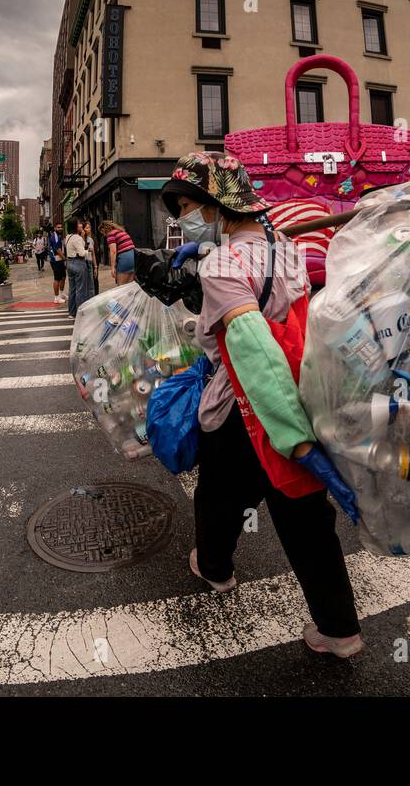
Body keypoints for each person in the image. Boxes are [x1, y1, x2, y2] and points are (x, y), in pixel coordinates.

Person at [160, 152, 363, 659]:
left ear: (212, 207)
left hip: (247, 407)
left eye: (186, 206)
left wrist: (292, 439)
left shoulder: (224, 264)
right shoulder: (288, 250)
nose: (182, 217)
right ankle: (340, 630)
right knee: (306, 518)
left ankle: (214, 568)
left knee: (220, 497)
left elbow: (252, 348)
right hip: (298, 391)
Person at [63, 217, 92, 317]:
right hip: (78, 263)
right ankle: (81, 313)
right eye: (79, 224)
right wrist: (89, 251)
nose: (81, 226)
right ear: (75, 226)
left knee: (72, 289)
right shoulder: (77, 238)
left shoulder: (67, 237)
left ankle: (72, 313)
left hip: (69, 263)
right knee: (81, 290)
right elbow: (82, 253)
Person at [101, 219, 136, 286]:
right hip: (134, 257)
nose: (103, 235)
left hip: (125, 259)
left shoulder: (110, 235)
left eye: (102, 232)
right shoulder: (121, 232)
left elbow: (113, 251)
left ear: (104, 230)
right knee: (130, 286)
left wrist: (112, 267)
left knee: (121, 286)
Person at [48, 222, 66, 303]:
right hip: (56, 260)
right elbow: (58, 250)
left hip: (59, 260)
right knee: (57, 279)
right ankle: (56, 298)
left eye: (61, 227)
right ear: (55, 228)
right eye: (58, 227)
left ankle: (61, 294)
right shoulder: (54, 236)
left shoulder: (58, 236)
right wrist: (64, 258)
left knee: (63, 277)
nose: (60, 229)